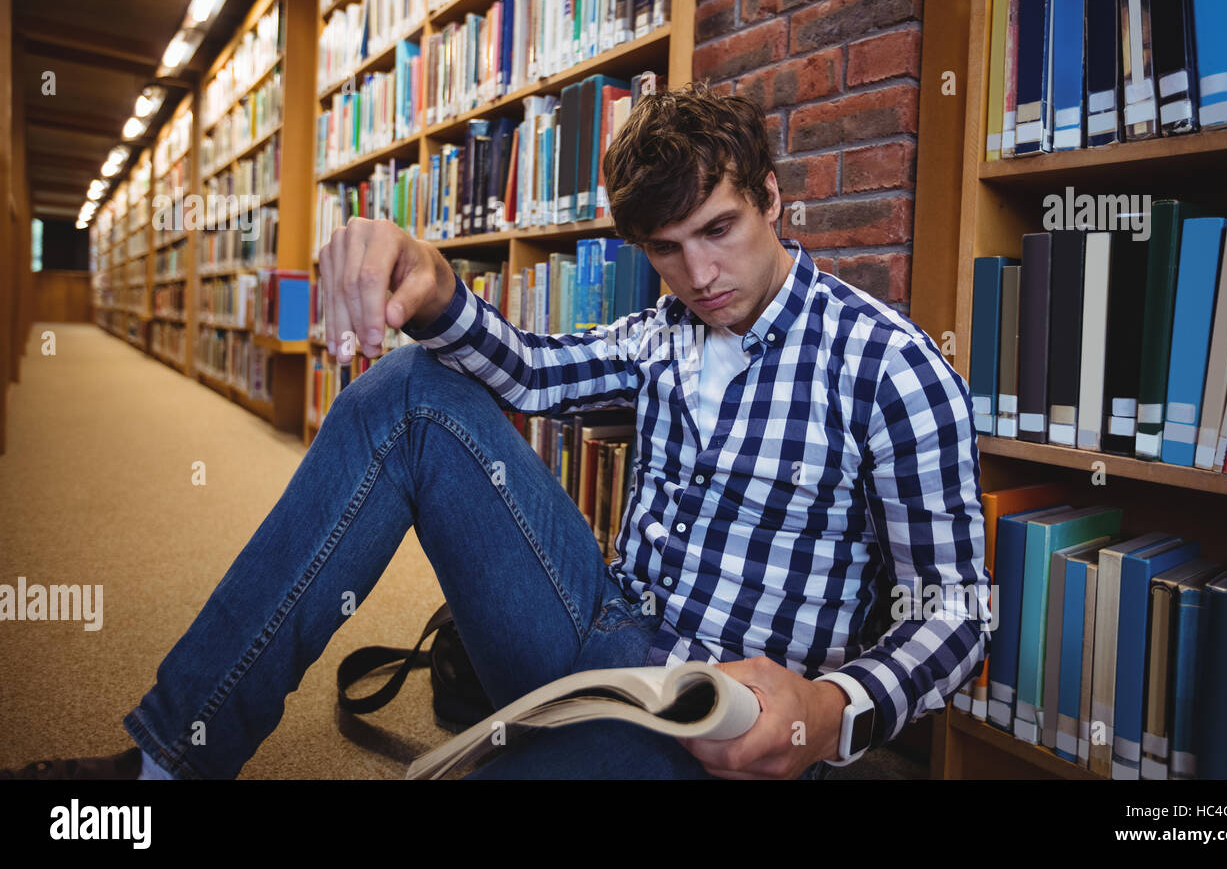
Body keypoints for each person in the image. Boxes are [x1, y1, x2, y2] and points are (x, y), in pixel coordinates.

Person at [5, 81, 990, 780]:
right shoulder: (667, 327)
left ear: (774, 199)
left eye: (721, 229)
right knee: (410, 390)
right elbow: (528, 368)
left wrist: (834, 705)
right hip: (604, 633)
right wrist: (431, 286)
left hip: (723, 714)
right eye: (667, 249)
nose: (700, 275)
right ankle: (166, 758)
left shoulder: (890, 368)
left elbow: (954, 612)